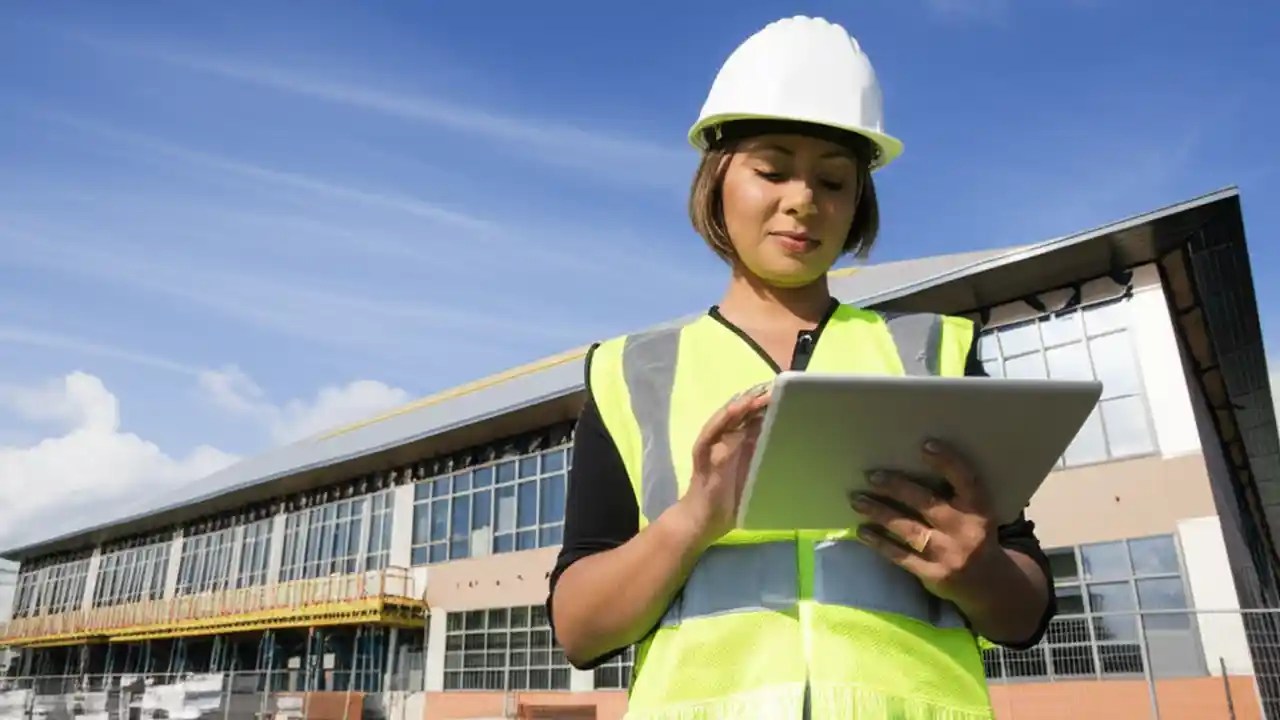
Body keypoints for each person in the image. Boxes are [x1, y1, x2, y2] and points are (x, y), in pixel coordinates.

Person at [545, 15, 1055, 720]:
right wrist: (694, 519)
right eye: (772, 169)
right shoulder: (632, 371)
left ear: (858, 202)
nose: (804, 200)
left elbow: (1023, 609)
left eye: (834, 180)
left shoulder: (934, 352)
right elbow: (577, 630)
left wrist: (977, 570)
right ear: (718, 178)